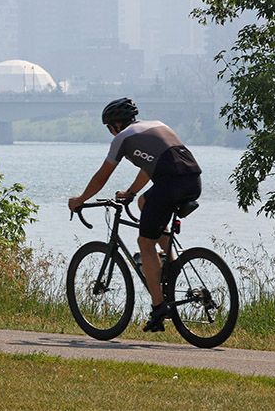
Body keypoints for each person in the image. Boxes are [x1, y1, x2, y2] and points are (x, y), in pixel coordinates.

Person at [67, 97, 202, 332]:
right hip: (193, 181)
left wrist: (81, 200)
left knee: (144, 243)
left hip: (169, 185)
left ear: (115, 125)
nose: (111, 133)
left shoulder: (123, 138)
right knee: (143, 202)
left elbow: (103, 175)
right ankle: (171, 265)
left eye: (109, 129)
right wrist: (130, 192)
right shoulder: (158, 125)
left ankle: (159, 308)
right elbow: (150, 166)